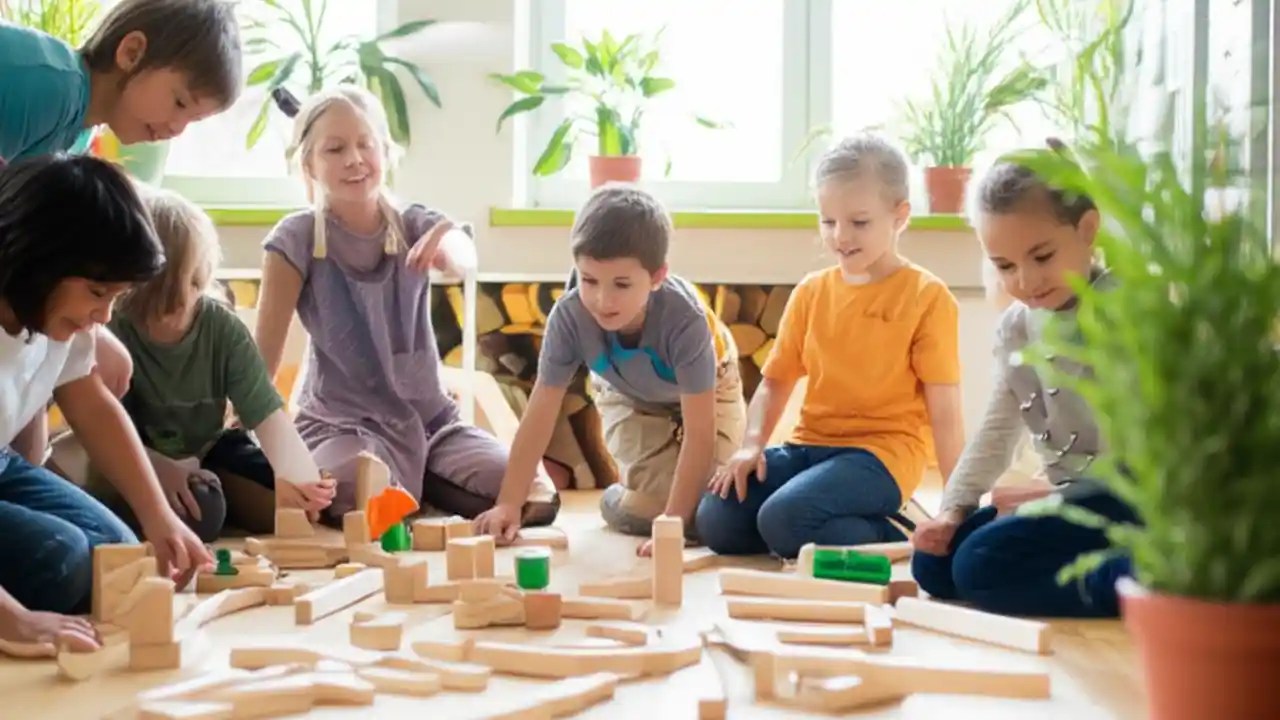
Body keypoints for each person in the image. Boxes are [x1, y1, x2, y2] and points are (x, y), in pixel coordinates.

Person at [253, 86, 559, 524]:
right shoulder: (295, 239)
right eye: (335, 149)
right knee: (345, 489)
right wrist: (279, 459)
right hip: (341, 426)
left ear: (386, 151)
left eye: (366, 144)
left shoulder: (415, 222)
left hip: (432, 424)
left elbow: (462, 256)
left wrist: (448, 244)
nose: (355, 159)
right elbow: (261, 366)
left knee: (532, 493)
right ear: (308, 165)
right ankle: (410, 489)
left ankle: (417, 481)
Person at [695, 134, 965, 559]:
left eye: (859, 222)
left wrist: (957, 504)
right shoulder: (811, 292)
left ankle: (895, 529)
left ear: (900, 217)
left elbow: (945, 411)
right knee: (717, 518)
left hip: (882, 457)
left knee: (783, 519)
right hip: (811, 447)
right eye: (827, 221)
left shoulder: (927, 297)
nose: (840, 236)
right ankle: (811, 531)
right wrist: (751, 446)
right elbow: (775, 381)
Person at [0, 0, 242, 465]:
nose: (175, 128)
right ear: (131, 52)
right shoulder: (54, 88)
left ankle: (27, 492)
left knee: (42, 341)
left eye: (193, 121)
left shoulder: (74, 132)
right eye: (178, 102)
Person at [910, 151, 1138, 618]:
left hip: (1127, 503)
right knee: (932, 564)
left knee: (979, 566)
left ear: (1087, 230)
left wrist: (1048, 497)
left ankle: (1137, 577)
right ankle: (1095, 565)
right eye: (1005, 265)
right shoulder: (1016, 327)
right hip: (1071, 503)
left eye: (1042, 256)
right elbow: (997, 430)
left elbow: (1145, 459)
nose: (1026, 280)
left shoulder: (1125, 313)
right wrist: (952, 510)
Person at [0, 154, 211, 651]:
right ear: (36, 260)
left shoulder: (54, 313)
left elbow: (93, 406)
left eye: (117, 296)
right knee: (61, 558)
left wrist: (159, 516)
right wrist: (13, 620)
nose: (104, 314)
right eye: (98, 292)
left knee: (115, 553)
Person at [473, 184, 747, 549]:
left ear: (657, 276)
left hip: (712, 389)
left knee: (711, 509)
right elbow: (539, 412)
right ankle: (628, 496)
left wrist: (674, 525)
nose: (603, 300)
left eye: (621, 284)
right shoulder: (569, 317)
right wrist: (508, 502)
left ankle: (664, 502)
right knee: (651, 507)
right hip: (627, 391)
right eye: (589, 280)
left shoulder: (685, 320)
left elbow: (700, 431)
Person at [61, 188, 334, 540]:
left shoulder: (221, 328)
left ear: (203, 278)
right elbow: (96, 427)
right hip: (131, 453)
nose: (171, 312)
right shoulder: (113, 327)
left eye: (188, 288)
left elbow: (265, 413)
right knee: (200, 513)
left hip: (209, 448)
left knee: (287, 506)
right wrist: (157, 467)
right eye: (157, 298)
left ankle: (217, 488)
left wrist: (302, 480)